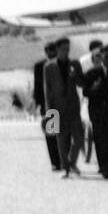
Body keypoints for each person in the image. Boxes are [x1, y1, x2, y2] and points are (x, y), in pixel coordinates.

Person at [43, 37, 86, 177]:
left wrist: (76, 76)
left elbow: (81, 83)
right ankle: (66, 169)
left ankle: (71, 161)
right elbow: (47, 90)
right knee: (61, 140)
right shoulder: (49, 67)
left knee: (79, 138)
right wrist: (50, 114)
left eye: (68, 49)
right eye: (63, 49)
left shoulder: (75, 64)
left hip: (73, 107)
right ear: (57, 50)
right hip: (57, 108)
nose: (66, 52)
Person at [82, 43, 108, 179]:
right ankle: (104, 168)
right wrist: (94, 88)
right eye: (106, 56)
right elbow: (85, 92)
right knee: (101, 139)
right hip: (98, 112)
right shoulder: (92, 72)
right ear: (101, 57)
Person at [32, 42, 62, 171]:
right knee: (51, 134)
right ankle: (55, 162)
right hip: (48, 105)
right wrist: (39, 104)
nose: (52, 53)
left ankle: (63, 160)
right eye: (49, 50)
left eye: (53, 50)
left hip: (61, 103)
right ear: (46, 51)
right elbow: (38, 87)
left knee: (63, 134)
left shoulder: (61, 64)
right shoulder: (39, 66)